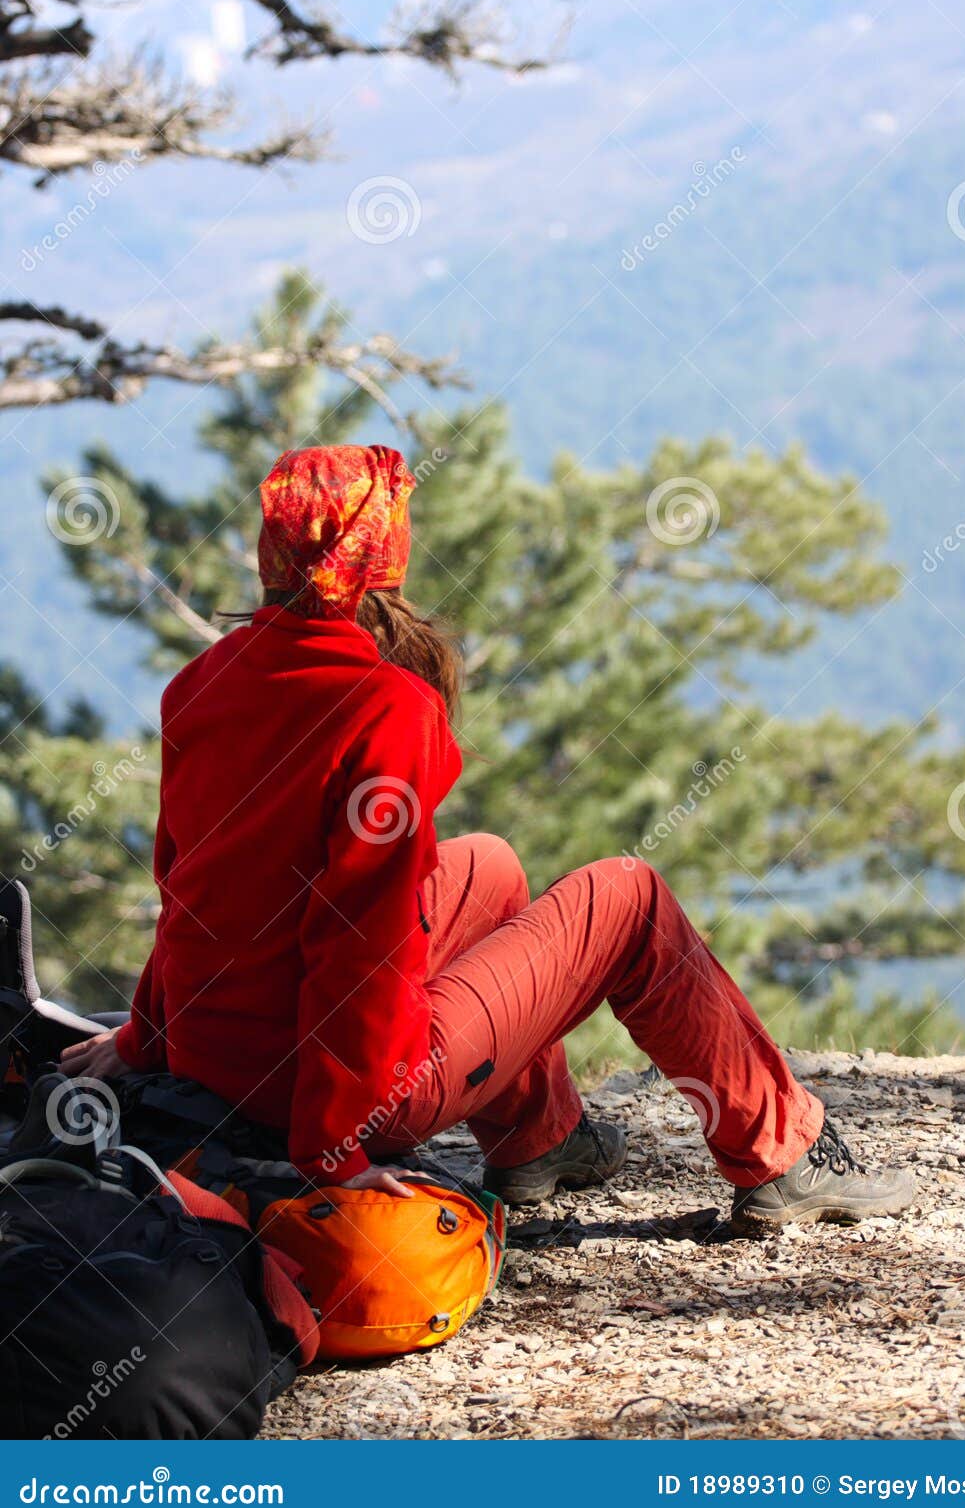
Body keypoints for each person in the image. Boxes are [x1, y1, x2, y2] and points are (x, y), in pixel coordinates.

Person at [61, 444, 914, 1227]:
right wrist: (330, 1150)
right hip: (340, 1097)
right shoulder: (386, 708)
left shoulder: (200, 683)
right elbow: (357, 942)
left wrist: (143, 1041)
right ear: (379, 556)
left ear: (271, 550)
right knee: (630, 897)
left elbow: (184, 890)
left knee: (489, 865)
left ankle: (537, 1141)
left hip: (223, 1064)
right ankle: (782, 1154)